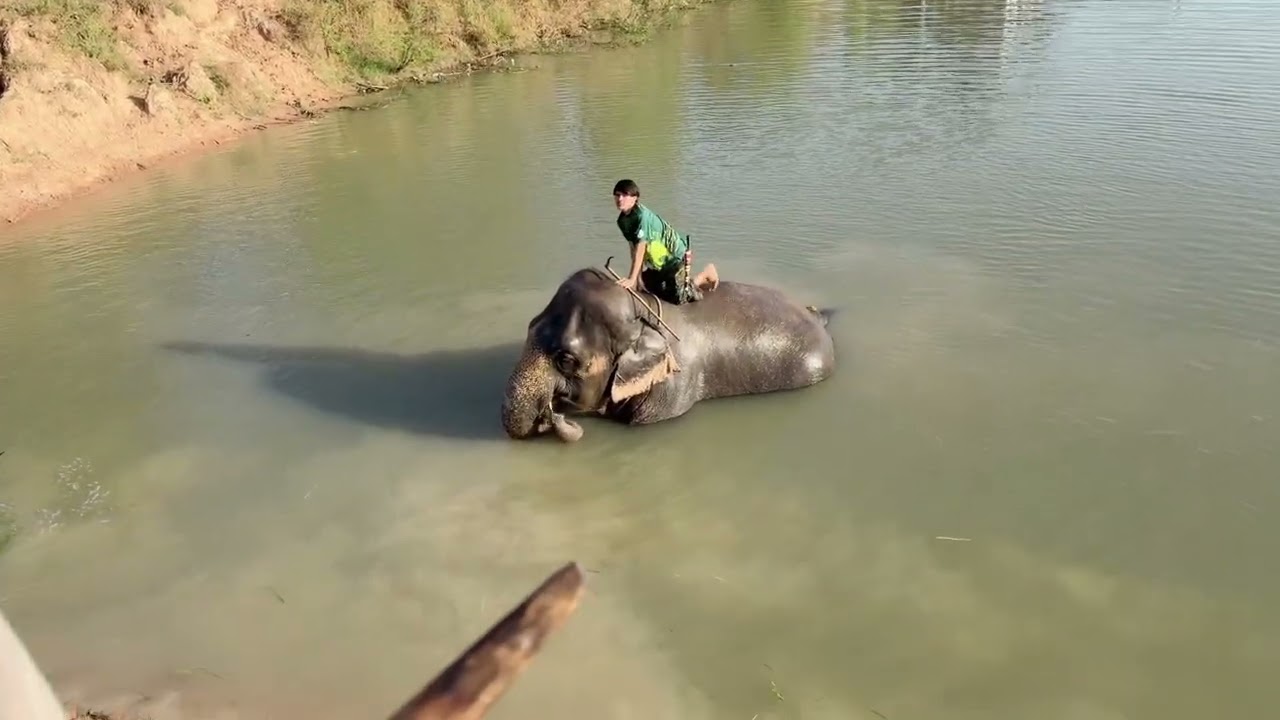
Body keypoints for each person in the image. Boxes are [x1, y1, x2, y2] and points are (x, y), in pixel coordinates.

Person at [612, 178, 719, 305]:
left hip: (676, 257)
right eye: (617, 195)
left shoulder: (642, 217)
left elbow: (641, 248)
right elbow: (633, 248)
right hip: (657, 261)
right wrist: (636, 278)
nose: (620, 199)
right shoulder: (622, 221)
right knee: (648, 290)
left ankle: (705, 274)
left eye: (625, 195)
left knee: (680, 298)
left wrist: (632, 278)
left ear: (635, 198)